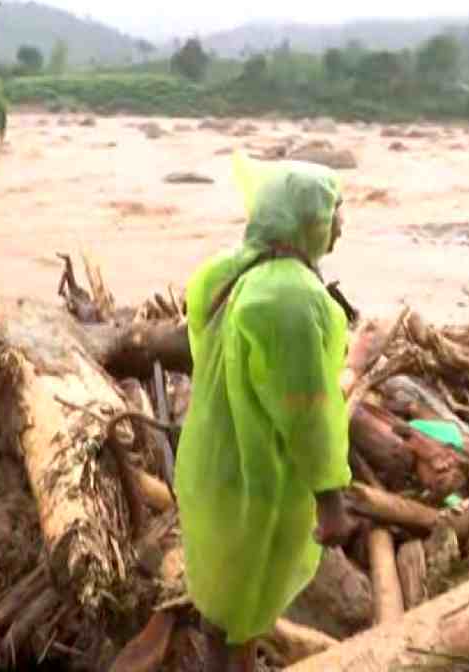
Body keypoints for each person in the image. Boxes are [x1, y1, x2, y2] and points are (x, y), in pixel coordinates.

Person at [174, 154, 355, 671]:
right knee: (248, 590)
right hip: (258, 472)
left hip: (210, 456)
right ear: (302, 219)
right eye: (332, 213)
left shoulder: (224, 271)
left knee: (223, 590)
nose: (340, 225)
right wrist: (330, 499)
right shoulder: (291, 298)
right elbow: (307, 410)